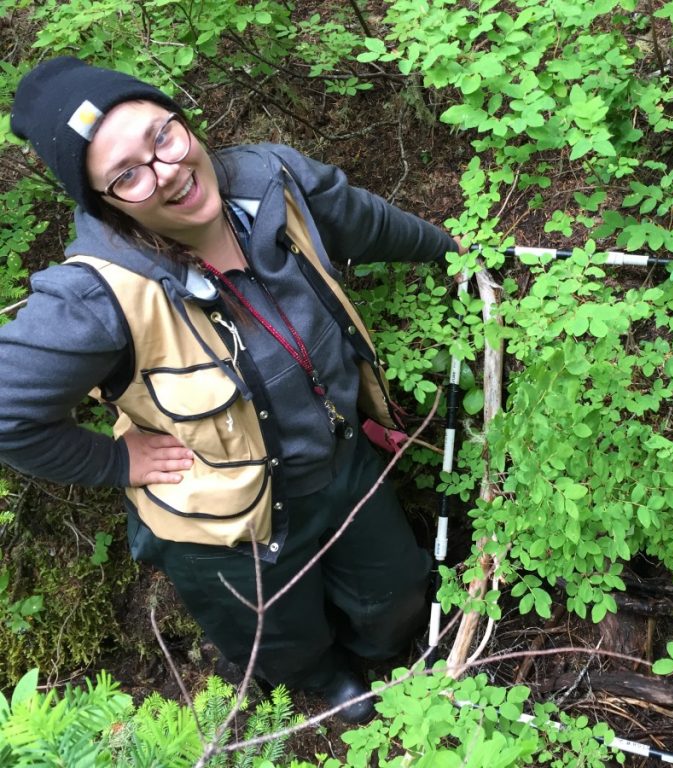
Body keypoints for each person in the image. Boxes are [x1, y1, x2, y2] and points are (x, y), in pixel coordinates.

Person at [0, 57, 461, 723]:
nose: (166, 173)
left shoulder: (271, 180)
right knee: (277, 638)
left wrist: (453, 250)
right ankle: (326, 685)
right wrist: (116, 462)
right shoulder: (94, 297)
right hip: (224, 526)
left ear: (180, 120)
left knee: (398, 594)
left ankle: (383, 656)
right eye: (125, 175)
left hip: (341, 462)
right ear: (100, 201)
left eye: (161, 136)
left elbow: (364, 222)